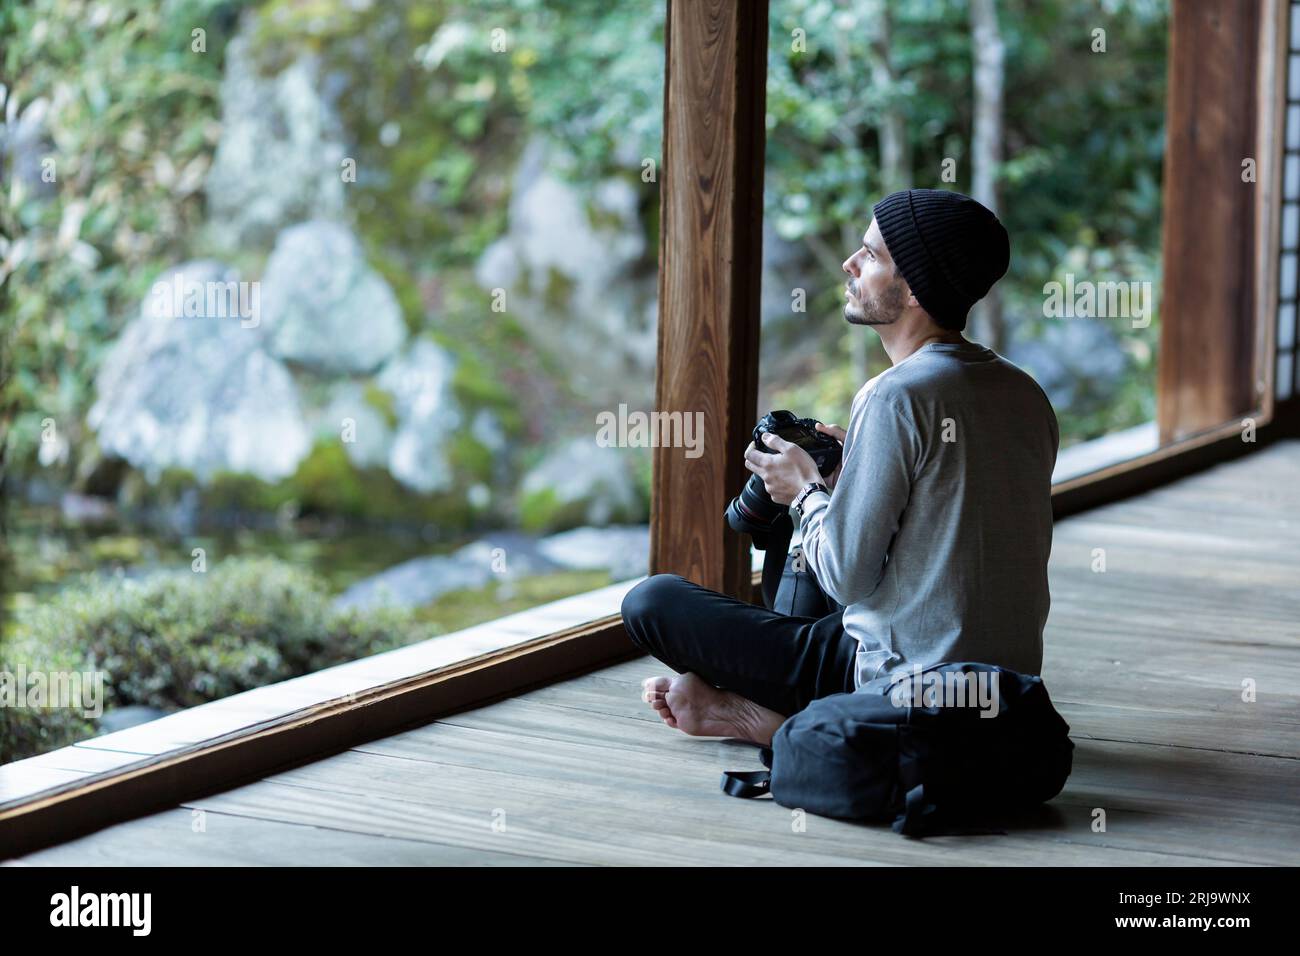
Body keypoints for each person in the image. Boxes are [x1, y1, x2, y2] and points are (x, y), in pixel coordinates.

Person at [621, 188, 1059, 748]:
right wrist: (857, 467)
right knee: (813, 519)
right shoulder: (1023, 391)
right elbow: (961, 512)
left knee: (651, 603)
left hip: (900, 680)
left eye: (872, 256)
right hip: (1005, 682)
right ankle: (788, 709)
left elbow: (849, 577)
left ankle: (777, 723)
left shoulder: (896, 396)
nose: (850, 263)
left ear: (917, 289)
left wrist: (805, 489)